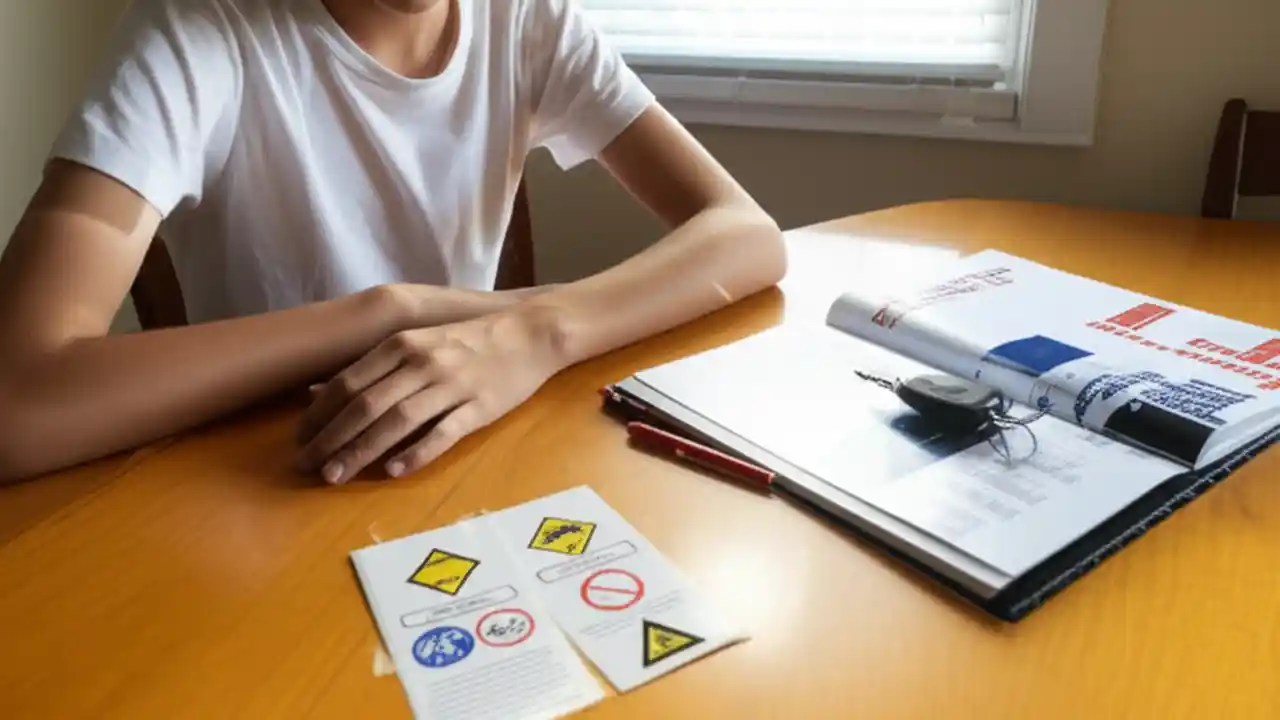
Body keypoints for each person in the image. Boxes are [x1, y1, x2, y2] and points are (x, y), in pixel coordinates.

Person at [0, 0, 786, 486]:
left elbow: (746, 236)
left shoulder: (528, 20)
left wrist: (536, 332)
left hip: (465, 449)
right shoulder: (199, 30)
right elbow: (17, 398)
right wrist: (389, 312)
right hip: (273, 470)